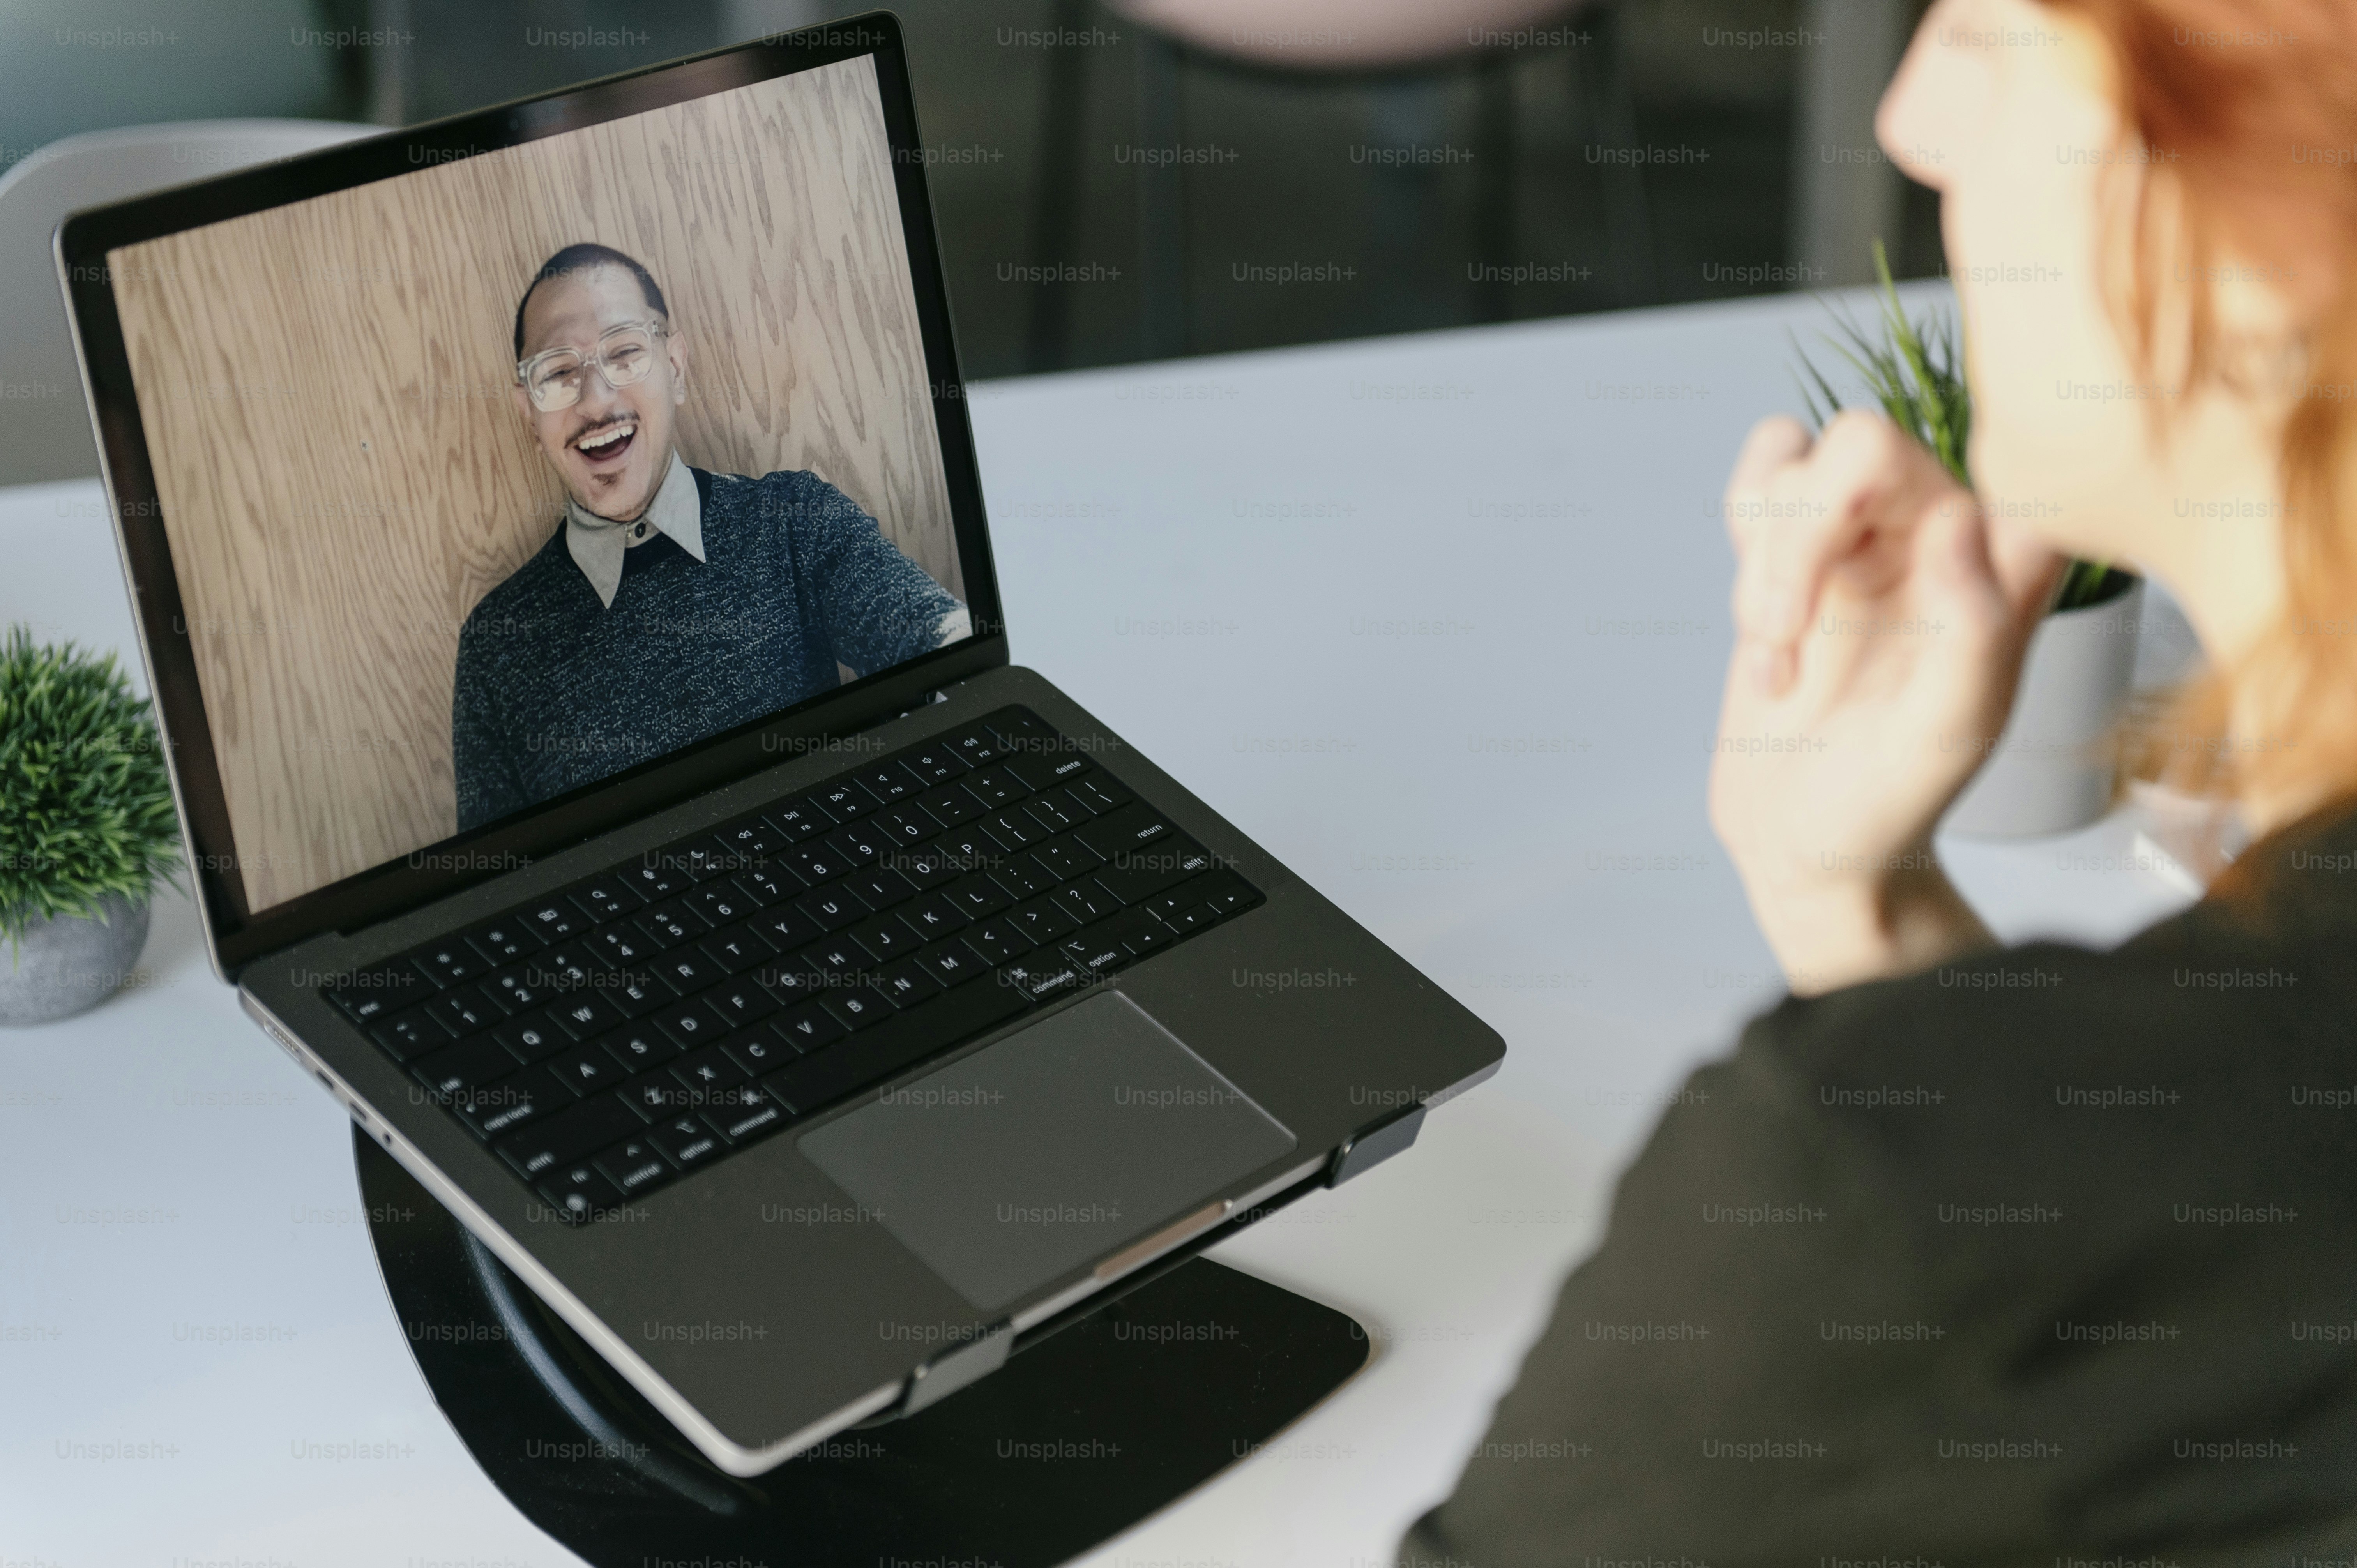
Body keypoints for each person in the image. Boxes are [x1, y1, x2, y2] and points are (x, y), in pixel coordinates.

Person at [1404, 0, 2357, 1561]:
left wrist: (1888, 1125)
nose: (1913, 118)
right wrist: (1850, 895)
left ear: (2281, 226)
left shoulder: (1855, 1197)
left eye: (1996, 25)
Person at [451, 243, 968, 831]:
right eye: (559, 374)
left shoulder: (791, 520)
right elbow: (497, 884)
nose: (596, 402)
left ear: (675, 368)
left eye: (624, 353)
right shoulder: (495, 646)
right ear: (528, 414)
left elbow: (942, 643)